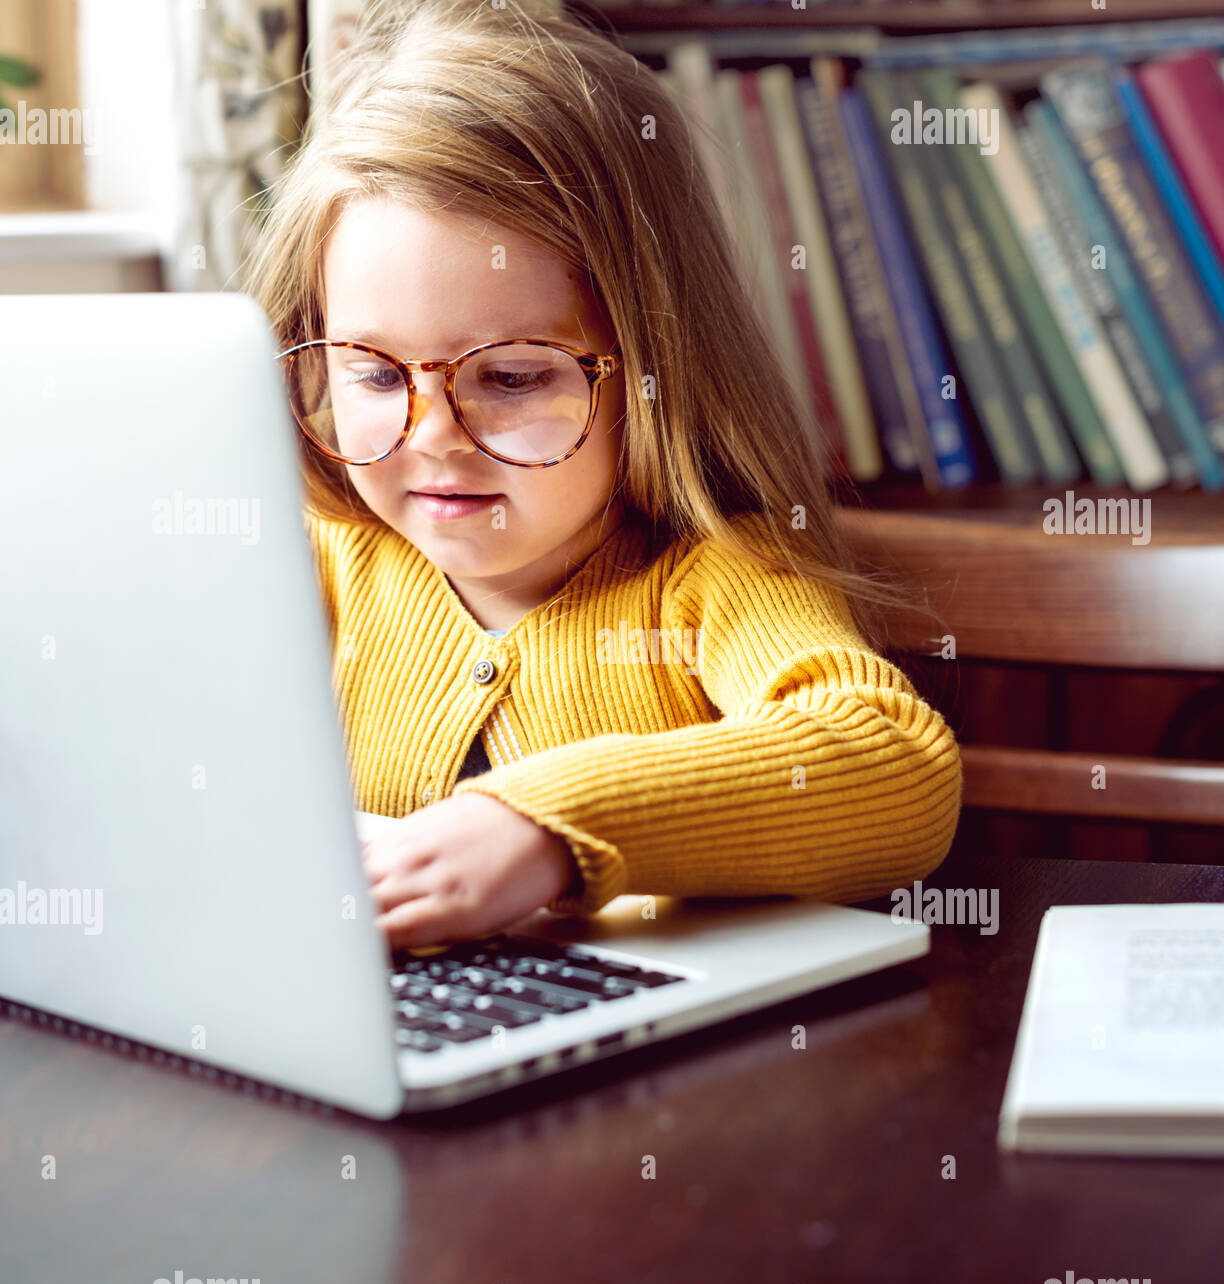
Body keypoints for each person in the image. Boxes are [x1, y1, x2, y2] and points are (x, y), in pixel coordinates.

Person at [245, 0, 961, 948]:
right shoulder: (323, 560)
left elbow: (897, 770)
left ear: (657, 367)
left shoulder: (712, 585)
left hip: (668, 1073)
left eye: (510, 376)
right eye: (375, 373)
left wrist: (540, 826)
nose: (434, 436)